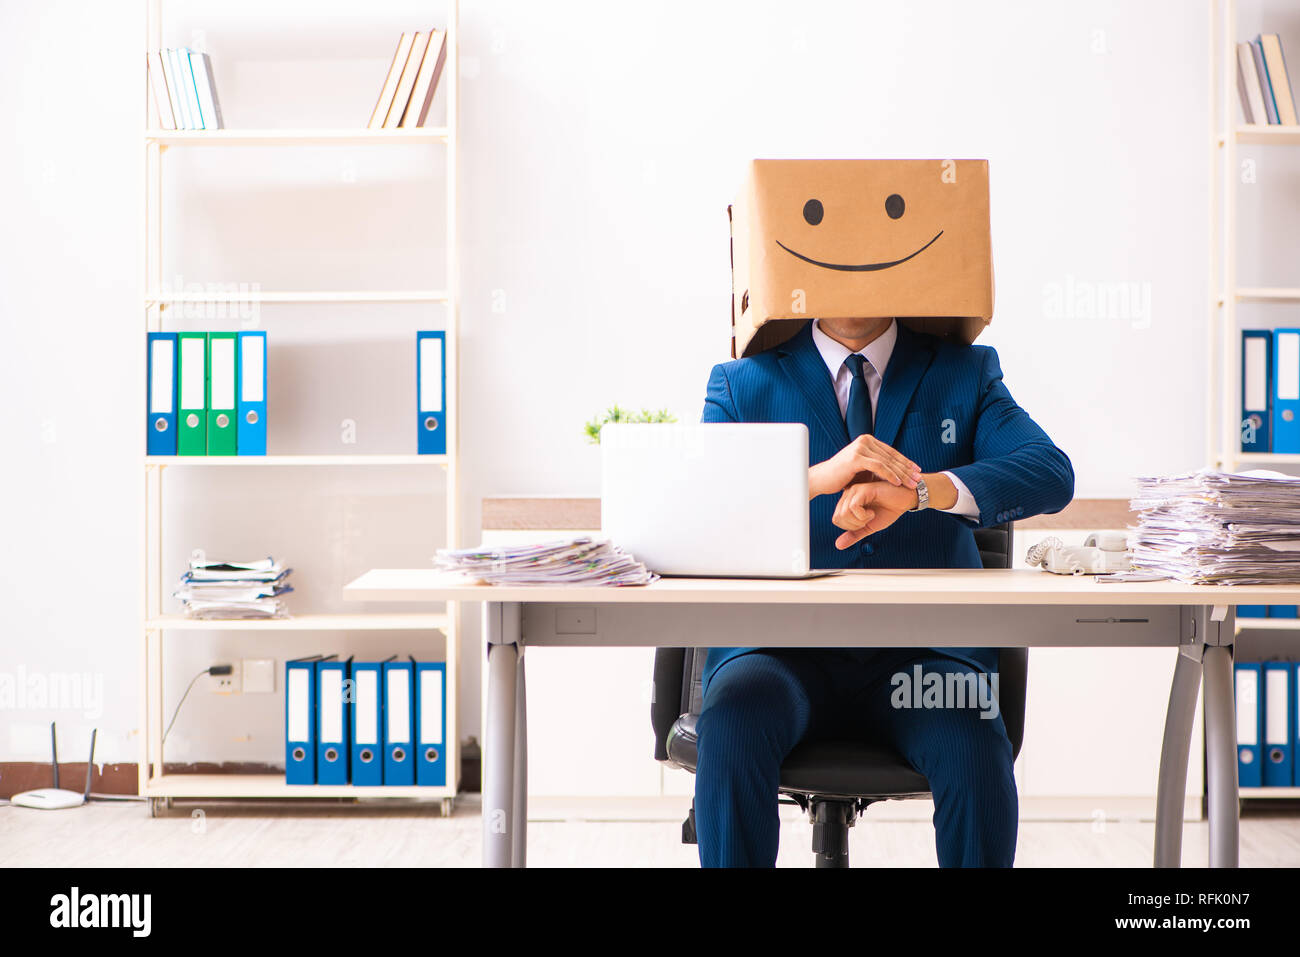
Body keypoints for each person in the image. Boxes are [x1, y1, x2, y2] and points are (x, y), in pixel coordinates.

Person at [695, 315, 1074, 867]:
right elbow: (704, 509)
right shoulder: (742, 383)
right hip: (780, 655)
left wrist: (922, 491)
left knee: (972, 741)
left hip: (921, 662)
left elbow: (1050, 473)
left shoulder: (963, 372)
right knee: (733, 726)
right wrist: (814, 479)